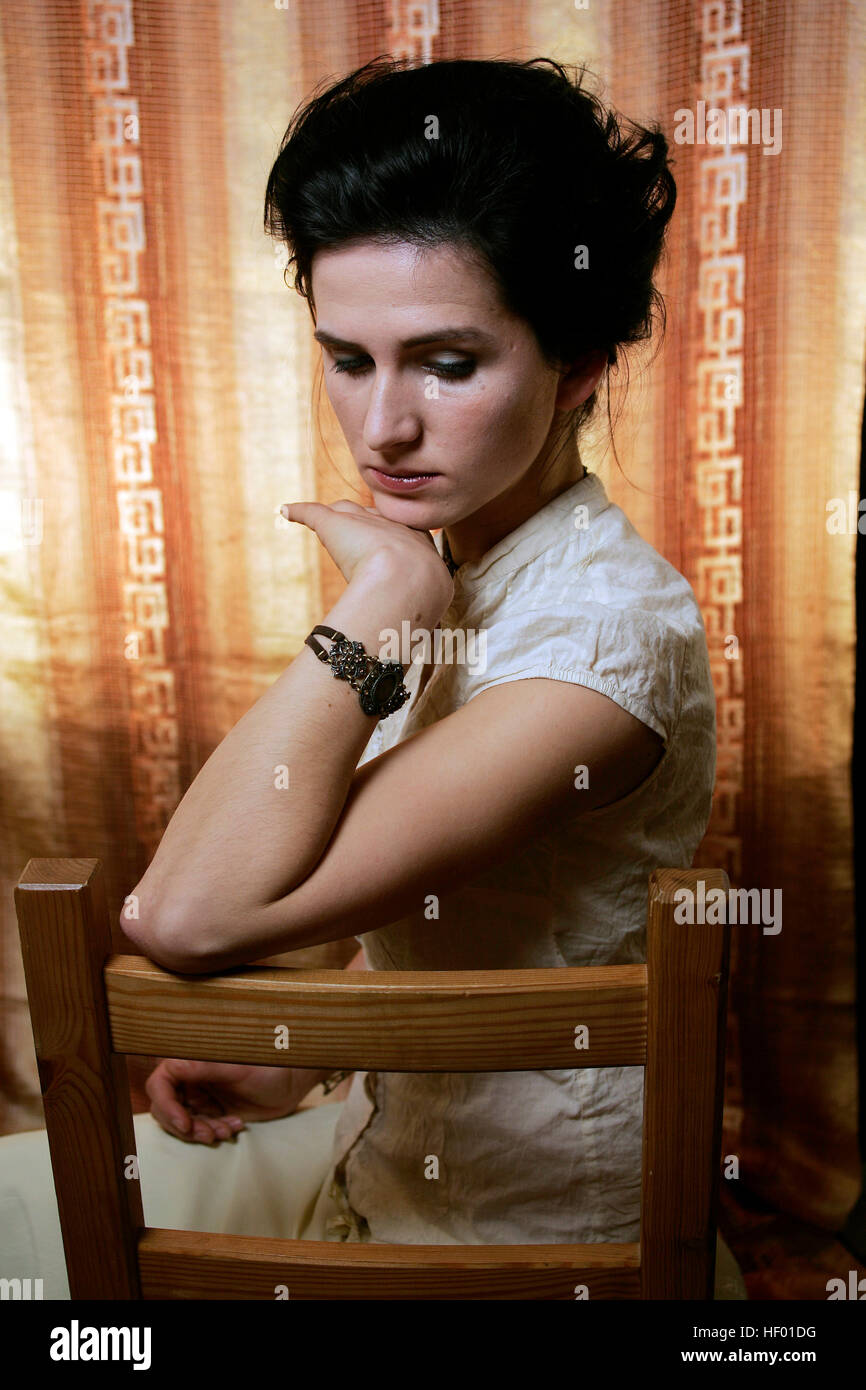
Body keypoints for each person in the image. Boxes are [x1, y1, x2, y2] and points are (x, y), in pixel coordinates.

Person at [0, 55, 746, 1298]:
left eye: (446, 363)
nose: (380, 427)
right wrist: (307, 1058)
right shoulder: (494, 566)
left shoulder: (599, 649)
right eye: (348, 357)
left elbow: (177, 919)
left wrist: (385, 598)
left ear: (577, 368)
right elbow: (480, 913)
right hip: (374, 1153)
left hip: (526, 1254)